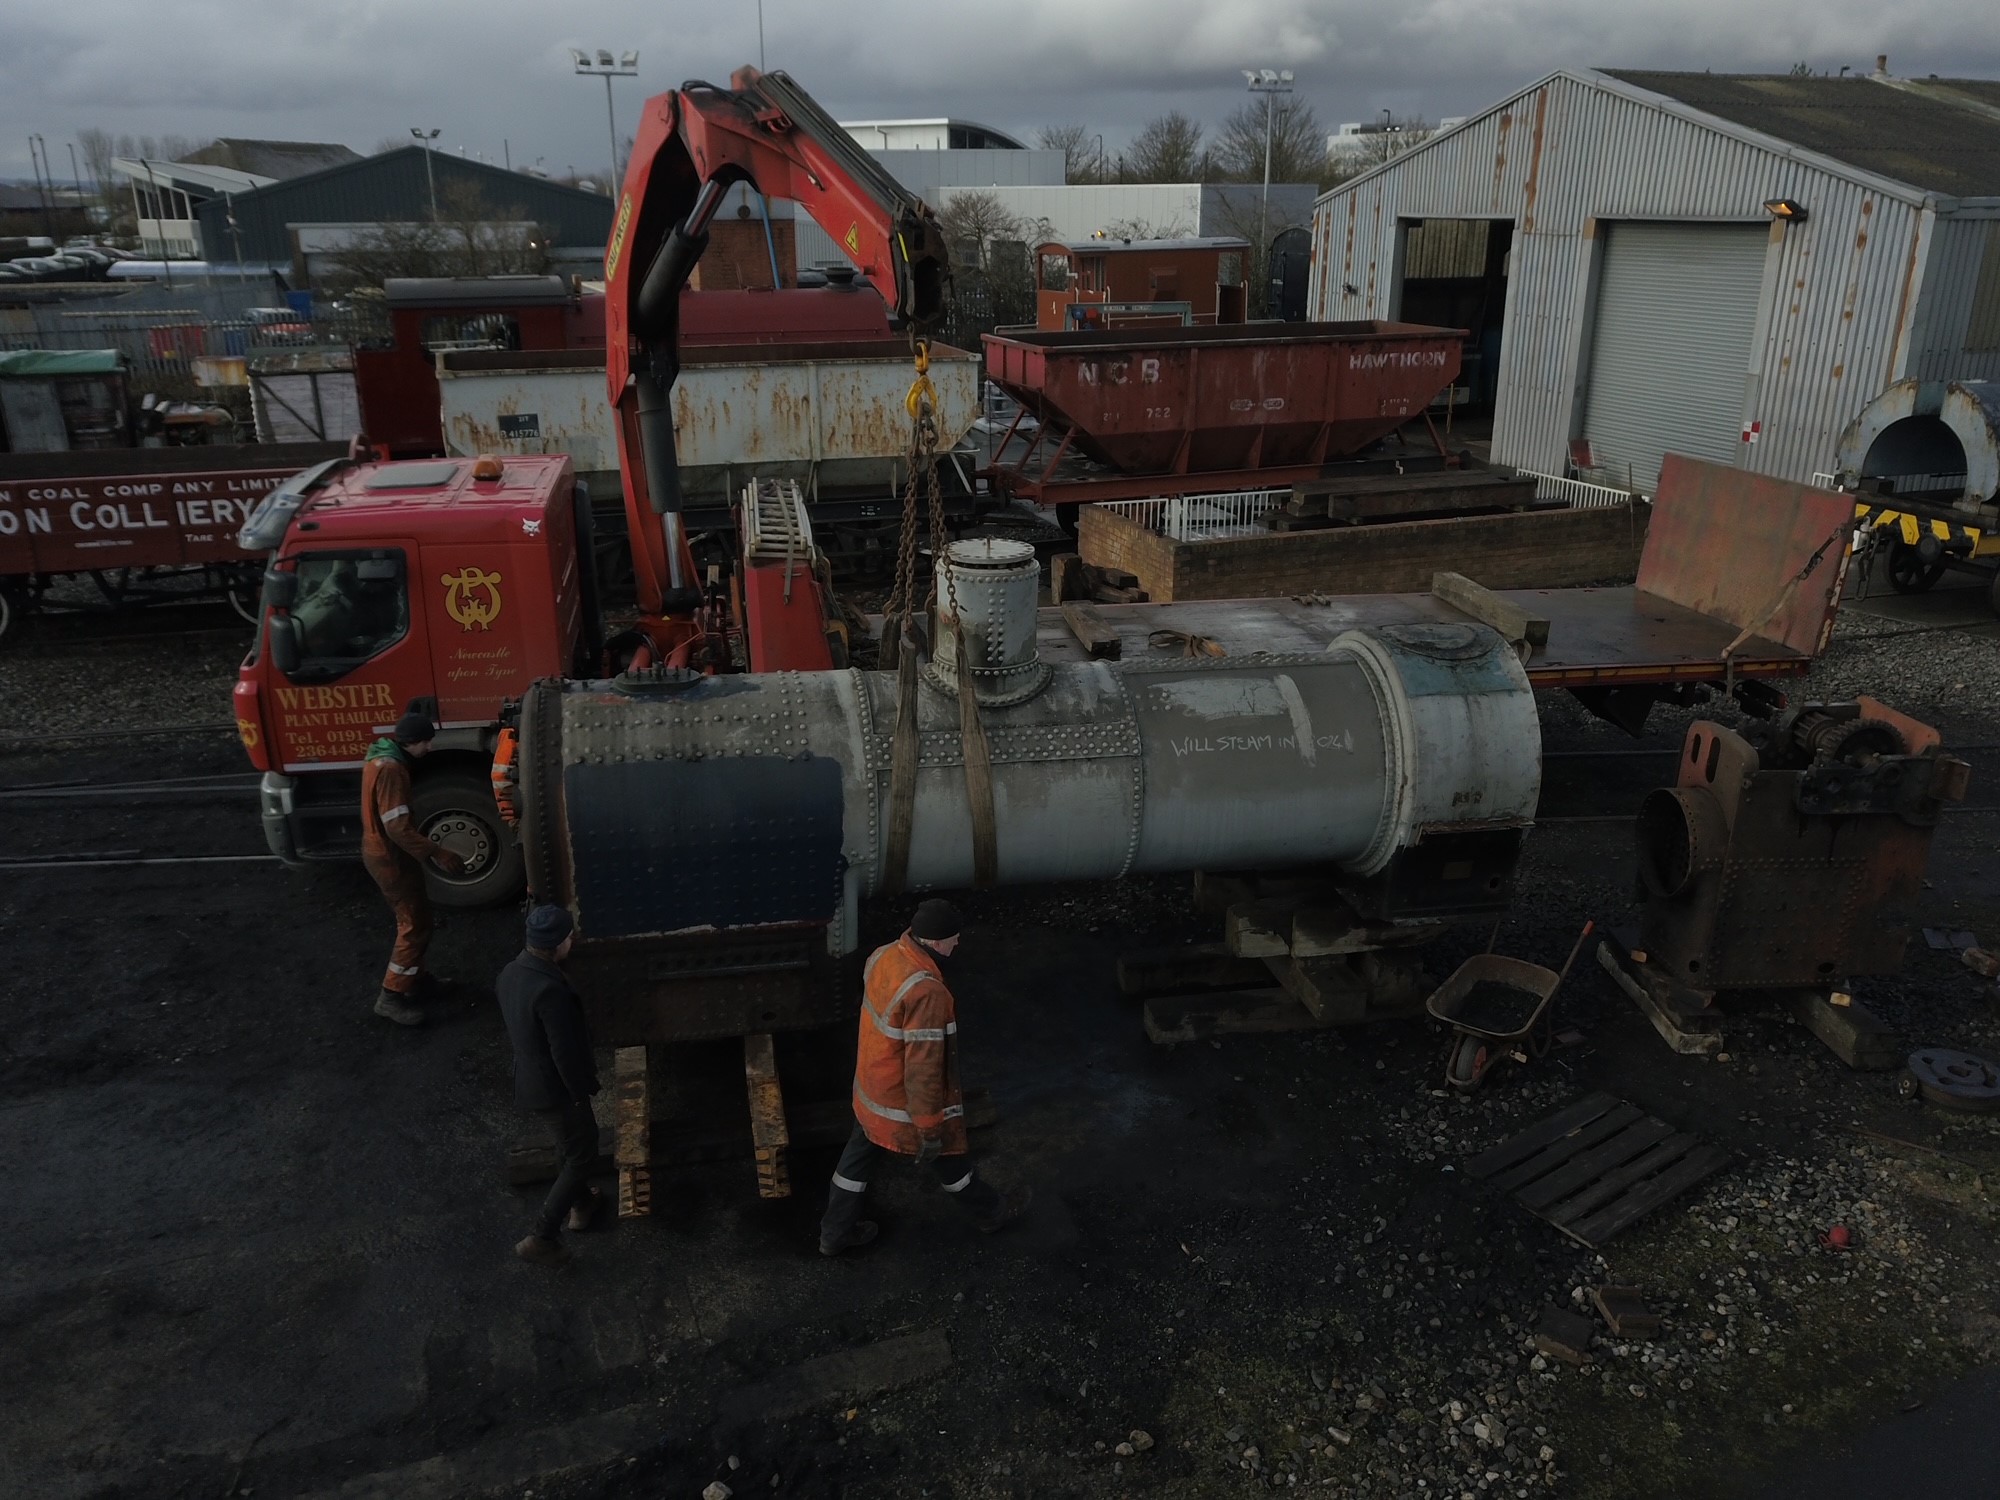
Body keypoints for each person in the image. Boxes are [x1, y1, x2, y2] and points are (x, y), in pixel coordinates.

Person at [818, 898, 1030, 1256]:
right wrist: (930, 1128)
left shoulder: (884, 955)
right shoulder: (927, 992)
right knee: (951, 1161)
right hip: (905, 1107)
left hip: (870, 1092)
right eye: (953, 938)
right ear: (934, 942)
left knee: (855, 1162)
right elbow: (924, 1068)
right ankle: (992, 1213)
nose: (958, 944)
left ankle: (833, 1234)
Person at [498, 904, 604, 1268]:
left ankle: (582, 1205)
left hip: (530, 1083)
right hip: (557, 1090)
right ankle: (542, 1236)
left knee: (567, 1144)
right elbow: (564, 1052)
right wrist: (579, 1092)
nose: (572, 941)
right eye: (569, 937)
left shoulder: (511, 973)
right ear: (558, 944)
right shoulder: (550, 990)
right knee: (582, 1155)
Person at [360, 710, 464, 1026]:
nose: (429, 749)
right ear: (413, 742)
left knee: (419, 919)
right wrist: (437, 852)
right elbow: (398, 828)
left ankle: (415, 981)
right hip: (391, 859)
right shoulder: (392, 771)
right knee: (413, 925)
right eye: (427, 742)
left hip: (386, 854)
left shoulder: (379, 759)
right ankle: (390, 997)